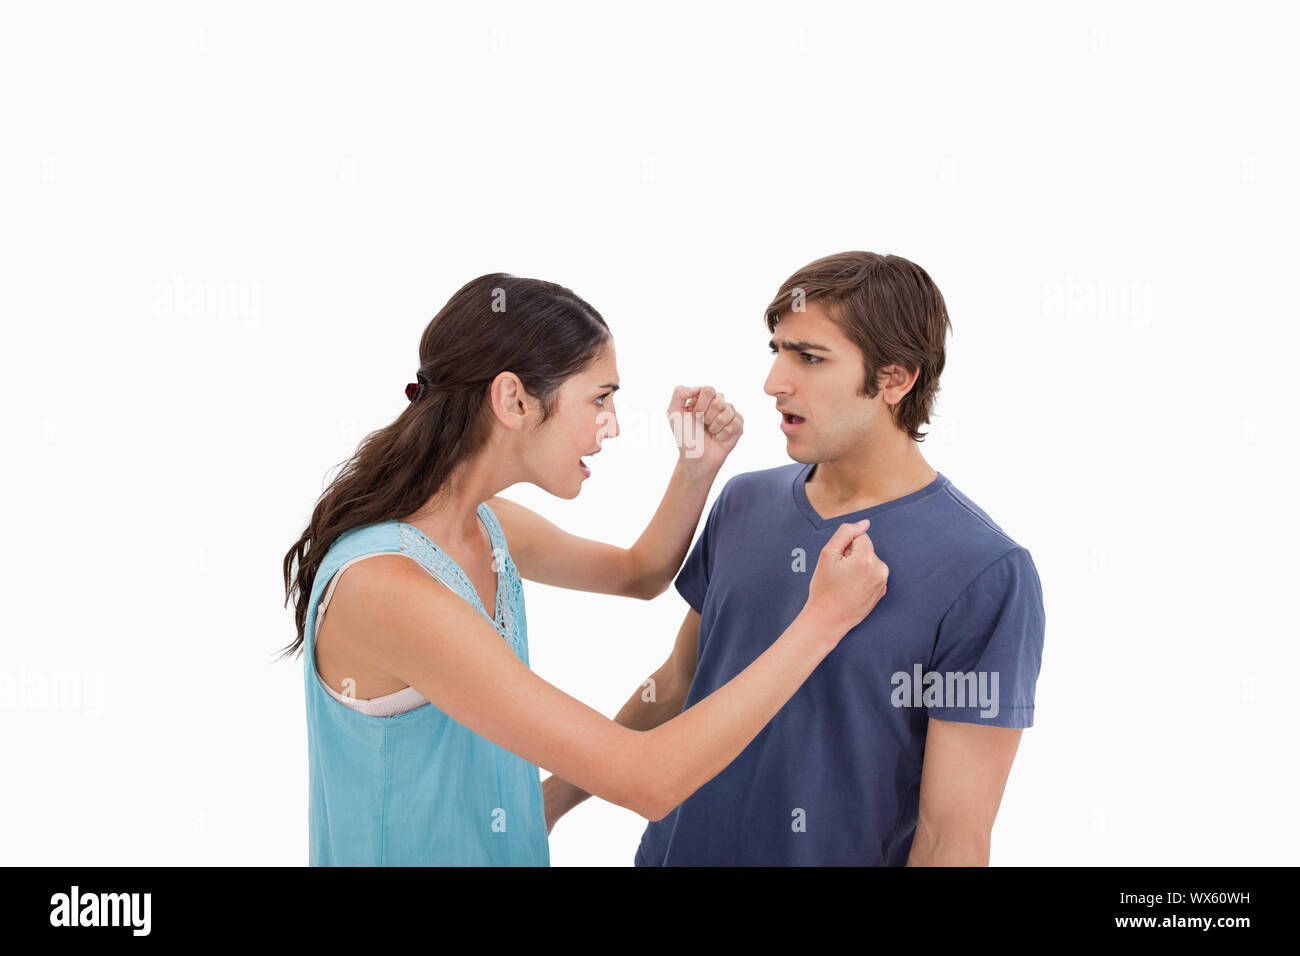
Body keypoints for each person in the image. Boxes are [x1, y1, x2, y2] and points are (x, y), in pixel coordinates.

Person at [278, 272, 890, 865]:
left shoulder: (487, 526)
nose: (612, 426)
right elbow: (649, 780)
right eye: (599, 399)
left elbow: (639, 574)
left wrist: (697, 466)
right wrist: (822, 622)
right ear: (514, 399)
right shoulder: (388, 586)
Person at [544, 251, 1047, 866]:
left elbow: (953, 840)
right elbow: (678, 683)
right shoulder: (744, 501)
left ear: (896, 379)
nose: (775, 382)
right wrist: (554, 800)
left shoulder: (987, 572)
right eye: (777, 350)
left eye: (809, 358)